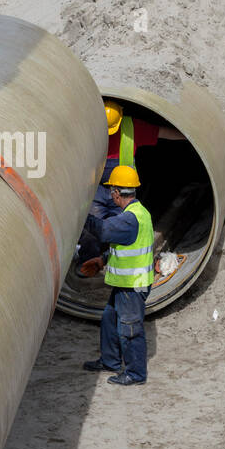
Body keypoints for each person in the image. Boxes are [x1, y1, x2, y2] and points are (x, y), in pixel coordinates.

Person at [76, 101, 182, 275]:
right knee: (90, 230)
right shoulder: (87, 128)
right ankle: (88, 264)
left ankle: (114, 264)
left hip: (123, 191)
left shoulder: (131, 128)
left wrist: (192, 136)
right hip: (96, 188)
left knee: (121, 230)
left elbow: (162, 132)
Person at [82, 164, 153, 386]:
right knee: (109, 320)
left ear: (116, 193)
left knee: (129, 328)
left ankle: (135, 373)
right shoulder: (134, 214)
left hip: (132, 285)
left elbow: (103, 230)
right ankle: (110, 361)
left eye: (111, 190)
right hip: (125, 283)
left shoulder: (129, 219)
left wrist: (80, 211)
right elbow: (124, 245)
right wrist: (103, 260)